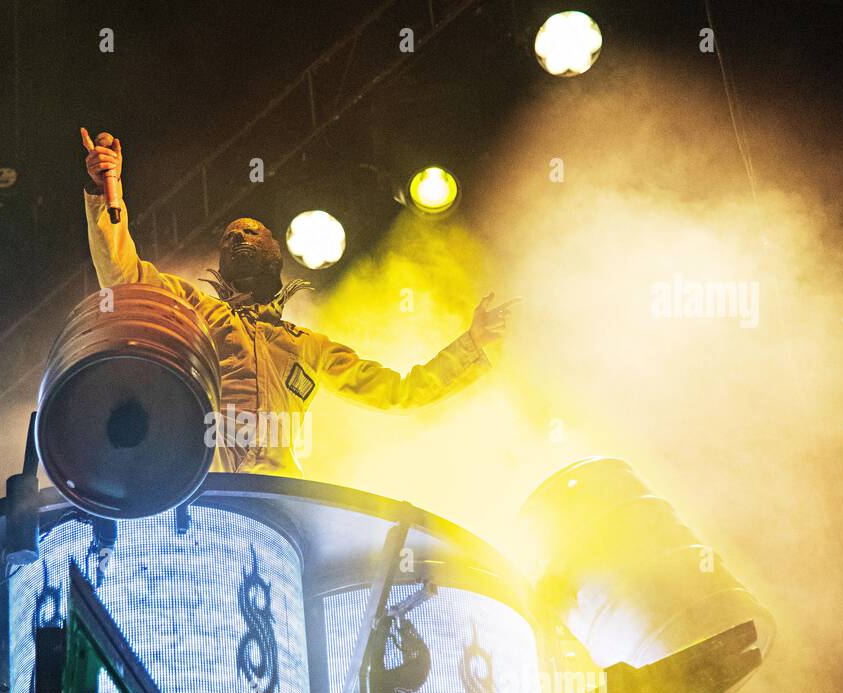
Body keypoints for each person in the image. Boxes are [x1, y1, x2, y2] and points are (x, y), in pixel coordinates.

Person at [80, 127, 518, 476]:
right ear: (222, 258)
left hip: (277, 506)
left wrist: (471, 345)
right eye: (231, 236)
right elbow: (124, 277)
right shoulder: (195, 309)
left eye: (252, 232)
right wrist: (108, 189)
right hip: (201, 493)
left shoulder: (308, 346)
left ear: (276, 253)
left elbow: (398, 392)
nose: (239, 238)